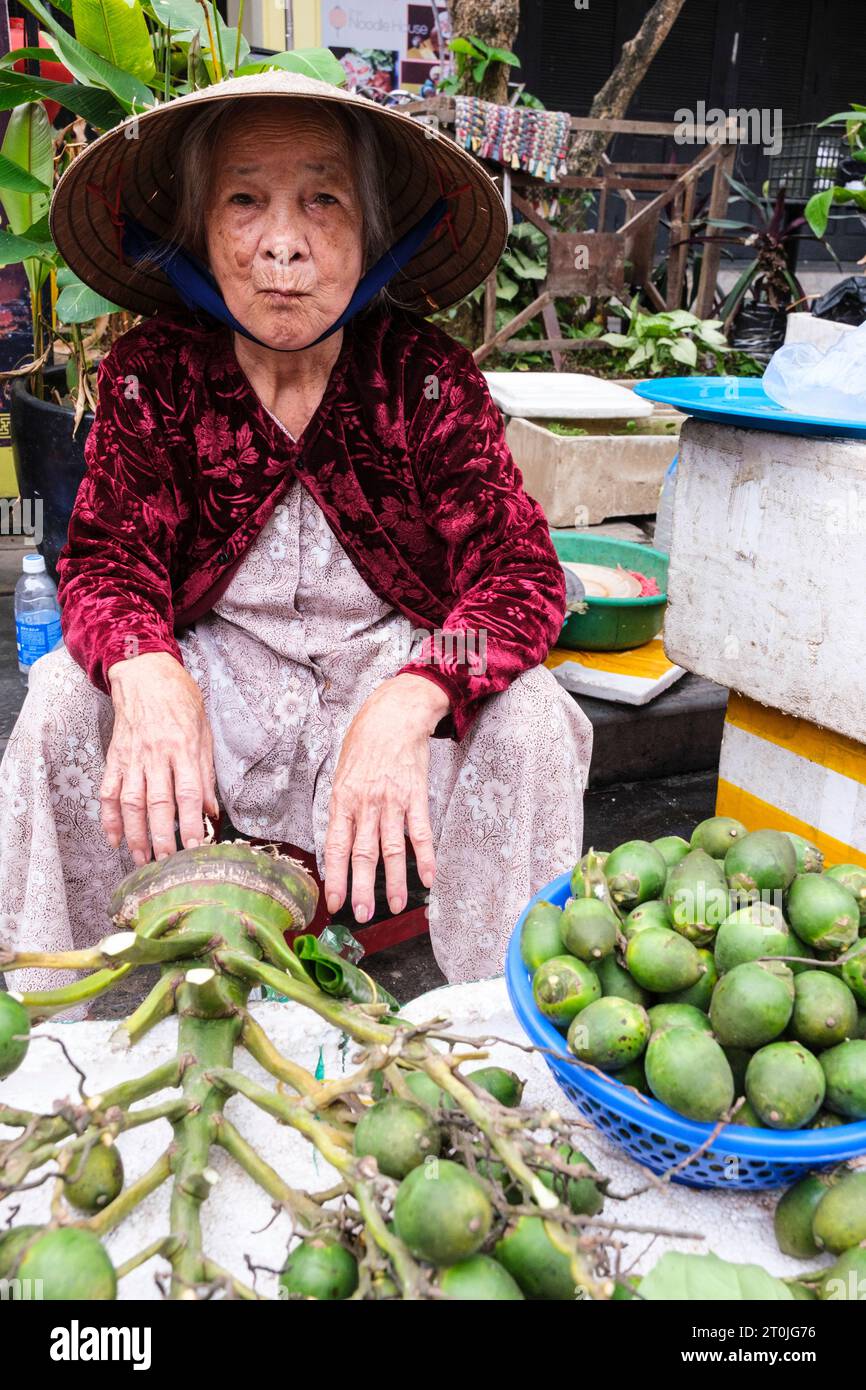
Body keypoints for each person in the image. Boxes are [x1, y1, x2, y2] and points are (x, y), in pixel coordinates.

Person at [0, 71, 592, 998]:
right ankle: (79, 1019)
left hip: (386, 679)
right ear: (199, 228)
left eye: (323, 200)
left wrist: (417, 693)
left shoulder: (424, 377)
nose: (283, 245)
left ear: (372, 232)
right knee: (60, 703)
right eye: (245, 201)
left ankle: (503, 1017)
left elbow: (519, 577)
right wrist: (145, 667)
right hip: (217, 689)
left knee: (533, 721)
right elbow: (106, 561)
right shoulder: (153, 373)